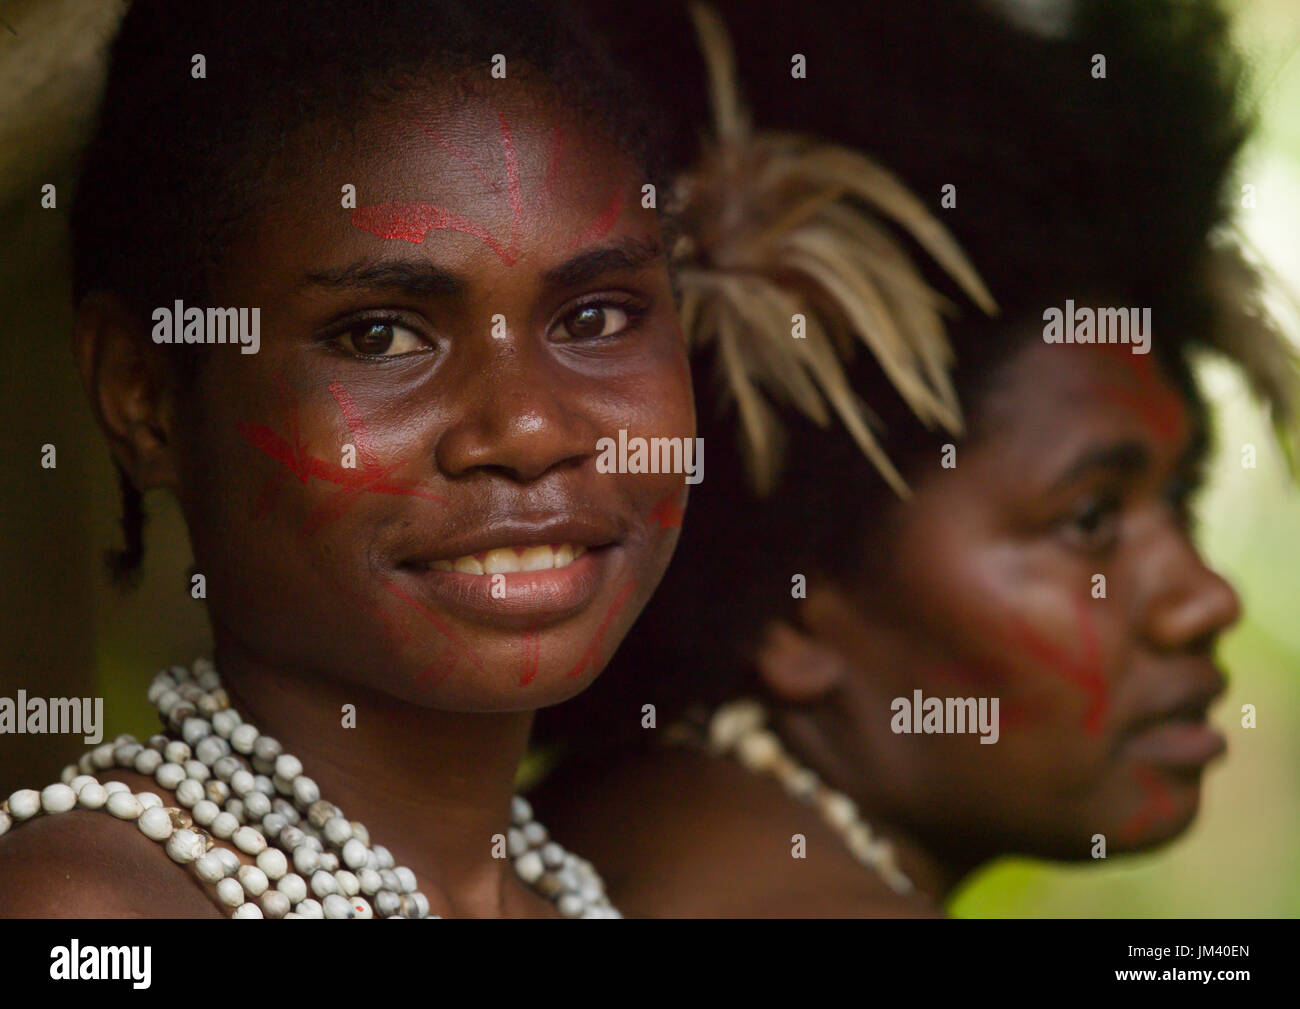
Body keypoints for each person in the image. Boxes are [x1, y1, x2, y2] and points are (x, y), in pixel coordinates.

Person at [532, 0, 1299, 916]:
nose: (1205, 599)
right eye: (1090, 517)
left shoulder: (532, 852)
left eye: (1184, 495)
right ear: (791, 604)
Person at [0, 0, 697, 918]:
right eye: (378, 336)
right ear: (143, 395)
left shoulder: (563, 899)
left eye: (594, 317)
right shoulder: (83, 914)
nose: (529, 429)